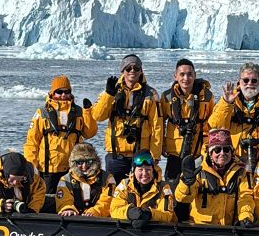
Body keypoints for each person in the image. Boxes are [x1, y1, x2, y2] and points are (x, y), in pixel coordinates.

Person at [92, 54, 163, 183]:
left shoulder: (151, 94)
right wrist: (109, 95)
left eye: (136, 68)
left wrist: (155, 155)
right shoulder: (111, 91)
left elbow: (157, 126)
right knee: (114, 192)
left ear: (141, 70)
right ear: (122, 71)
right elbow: (98, 116)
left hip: (141, 156)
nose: (132, 71)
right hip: (116, 156)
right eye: (128, 68)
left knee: (140, 193)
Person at [23, 75, 97, 195]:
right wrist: (32, 167)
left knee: (72, 201)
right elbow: (32, 143)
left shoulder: (79, 112)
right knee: (47, 202)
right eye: (59, 92)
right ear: (52, 93)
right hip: (48, 170)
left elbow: (90, 133)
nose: (63, 95)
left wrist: (88, 112)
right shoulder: (42, 113)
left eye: (67, 92)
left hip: (73, 169)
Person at [208, 62, 259, 176]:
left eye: (254, 80)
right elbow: (215, 125)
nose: (250, 84)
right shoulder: (230, 98)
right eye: (246, 80)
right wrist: (227, 103)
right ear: (239, 81)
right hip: (231, 157)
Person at [174, 128, 254, 226]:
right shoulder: (197, 171)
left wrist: (246, 217)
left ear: (231, 152)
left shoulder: (241, 172)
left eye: (226, 149)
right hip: (201, 227)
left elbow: (245, 197)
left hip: (230, 228)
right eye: (217, 150)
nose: (222, 153)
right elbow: (183, 198)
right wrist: (187, 183)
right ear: (210, 153)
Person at [160, 58, 214, 184]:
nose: (186, 78)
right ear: (175, 76)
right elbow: (159, 123)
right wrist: (161, 146)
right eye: (182, 74)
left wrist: (208, 148)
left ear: (195, 76)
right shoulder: (167, 97)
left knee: (196, 189)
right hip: (174, 153)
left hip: (197, 153)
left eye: (190, 74)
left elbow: (212, 124)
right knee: (172, 187)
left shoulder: (206, 96)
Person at [110, 150, 177, 226]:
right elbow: (114, 210)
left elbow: (167, 215)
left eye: (148, 170)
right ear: (134, 171)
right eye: (140, 170)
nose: (144, 174)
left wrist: (149, 214)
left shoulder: (164, 188)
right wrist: (130, 212)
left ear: (153, 171)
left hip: (157, 230)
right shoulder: (124, 185)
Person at [55, 143, 116, 217]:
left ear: (95, 161)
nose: (84, 166)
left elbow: (108, 200)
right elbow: (63, 200)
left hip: (98, 218)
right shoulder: (65, 180)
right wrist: (68, 209)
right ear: (73, 163)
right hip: (73, 217)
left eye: (88, 161)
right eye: (79, 162)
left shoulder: (107, 178)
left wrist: (95, 211)